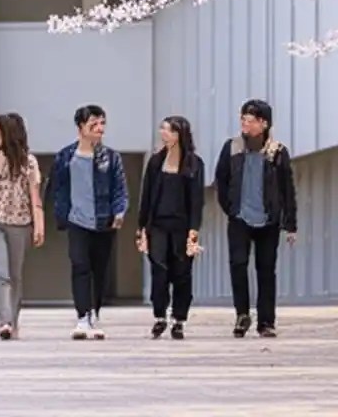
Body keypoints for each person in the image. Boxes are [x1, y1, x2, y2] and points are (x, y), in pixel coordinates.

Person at [215, 99, 296, 339]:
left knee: (266, 270)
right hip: (240, 217)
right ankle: (242, 315)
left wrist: (290, 223)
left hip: (268, 220)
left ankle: (266, 322)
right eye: (242, 119)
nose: (244, 124)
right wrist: (230, 208)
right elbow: (221, 180)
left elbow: (287, 189)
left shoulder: (277, 152)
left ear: (264, 123)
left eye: (250, 120)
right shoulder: (232, 147)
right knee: (238, 265)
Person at [49, 104, 128, 340]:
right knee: (80, 266)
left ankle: (95, 312)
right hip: (77, 220)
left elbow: (120, 189)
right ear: (81, 127)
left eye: (102, 123)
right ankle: (83, 316)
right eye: (94, 124)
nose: (99, 128)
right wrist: (60, 213)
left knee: (100, 270)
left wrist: (119, 211)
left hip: (103, 221)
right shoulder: (66, 157)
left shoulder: (110, 157)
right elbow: (57, 188)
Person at [0, 113, 45, 341]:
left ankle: (13, 321)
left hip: (21, 224)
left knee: (15, 275)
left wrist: (39, 225)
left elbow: (35, 196)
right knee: (0, 273)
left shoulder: (29, 162)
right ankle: (4, 321)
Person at [136, 116, 204, 340]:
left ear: (178, 134)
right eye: (162, 128)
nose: (162, 132)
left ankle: (179, 320)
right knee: (159, 270)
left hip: (182, 227)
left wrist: (194, 230)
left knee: (182, 274)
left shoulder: (194, 164)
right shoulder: (156, 162)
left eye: (166, 129)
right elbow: (146, 197)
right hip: (157, 225)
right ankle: (159, 317)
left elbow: (197, 200)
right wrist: (141, 228)